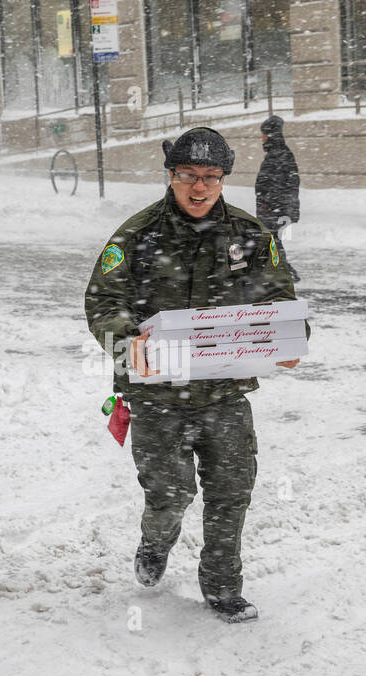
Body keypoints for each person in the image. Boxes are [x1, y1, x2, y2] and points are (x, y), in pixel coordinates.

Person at [84, 126, 304, 623]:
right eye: (188, 176)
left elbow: (280, 298)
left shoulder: (249, 235)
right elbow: (102, 300)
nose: (199, 188)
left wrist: (292, 338)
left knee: (232, 490)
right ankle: (154, 543)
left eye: (211, 177)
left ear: (223, 179)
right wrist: (126, 340)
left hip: (225, 392)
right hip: (157, 394)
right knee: (170, 492)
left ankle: (223, 585)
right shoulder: (137, 235)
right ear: (172, 175)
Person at [253, 114, 300, 281]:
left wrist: (270, 204)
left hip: (274, 209)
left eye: (264, 135)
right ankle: (281, 271)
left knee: (271, 240)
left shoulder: (279, 156)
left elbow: (284, 185)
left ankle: (284, 271)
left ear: (271, 135)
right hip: (273, 208)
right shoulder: (278, 154)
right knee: (271, 240)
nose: (262, 138)